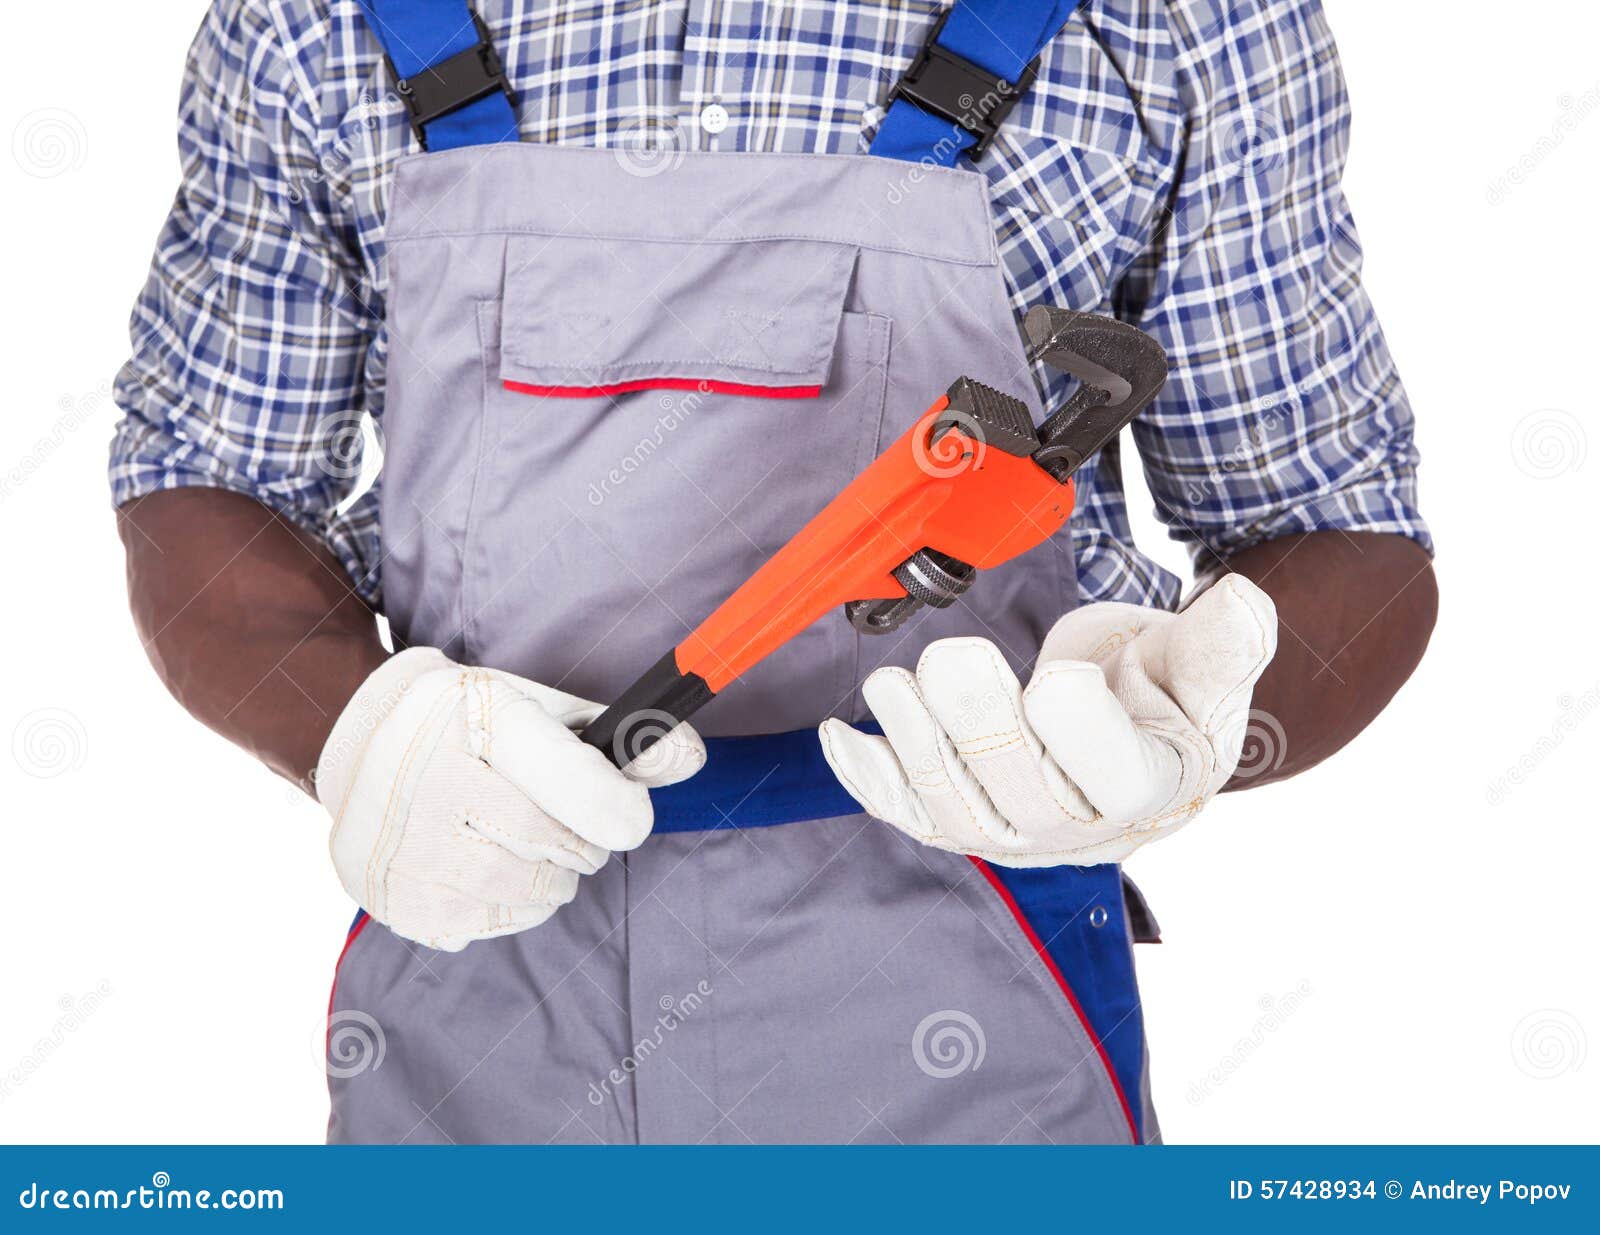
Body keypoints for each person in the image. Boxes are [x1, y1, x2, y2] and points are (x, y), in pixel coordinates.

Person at [111, 0, 1436, 1144]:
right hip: (473, 974)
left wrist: (1185, 734)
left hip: (974, 1007)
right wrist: (357, 741)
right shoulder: (312, 24)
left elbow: (1336, 526)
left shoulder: (1180, 25)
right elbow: (203, 477)